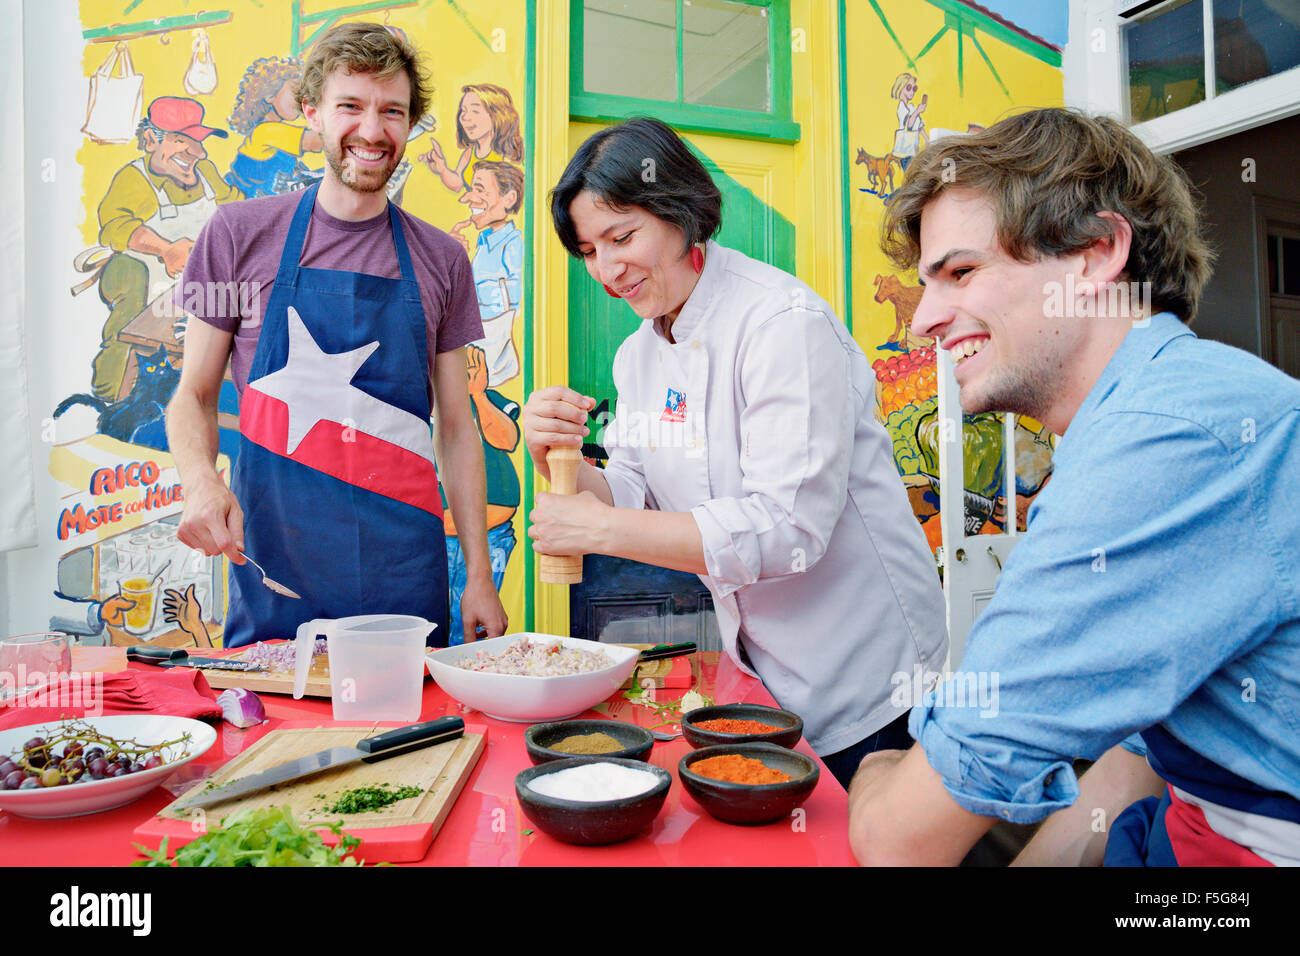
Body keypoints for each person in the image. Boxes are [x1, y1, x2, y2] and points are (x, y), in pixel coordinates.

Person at [848, 108, 1300, 866]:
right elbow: (1137, 758)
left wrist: (871, 771)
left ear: (1096, 253)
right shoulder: (1158, 406)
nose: (924, 318)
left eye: (960, 272)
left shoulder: (1169, 438)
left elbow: (897, 843)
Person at [524, 118, 948, 788]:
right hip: (768, 675)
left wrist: (599, 527)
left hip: (871, 675)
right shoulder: (639, 353)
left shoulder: (781, 324)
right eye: (588, 250)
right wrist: (564, 459)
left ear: (683, 213)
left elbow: (789, 528)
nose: (606, 269)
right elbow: (633, 486)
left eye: (622, 237)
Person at [166, 22, 508, 648]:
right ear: (312, 113)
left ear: (409, 124)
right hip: (274, 561)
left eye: (393, 112)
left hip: (404, 571)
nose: (372, 132)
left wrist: (480, 575)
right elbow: (193, 395)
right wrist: (199, 481)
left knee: (407, 741)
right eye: (350, 106)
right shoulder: (237, 236)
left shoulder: (443, 260)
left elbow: (457, 427)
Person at [93, 96, 243, 399]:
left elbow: (236, 208)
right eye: (180, 140)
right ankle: (111, 398)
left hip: (198, 286)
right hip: (145, 281)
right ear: (150, 140)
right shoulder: (135, 179)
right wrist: (164, 249)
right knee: (131, 324)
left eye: (199, 142)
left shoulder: (207, 174)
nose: (195, 152)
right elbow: (114, 228)